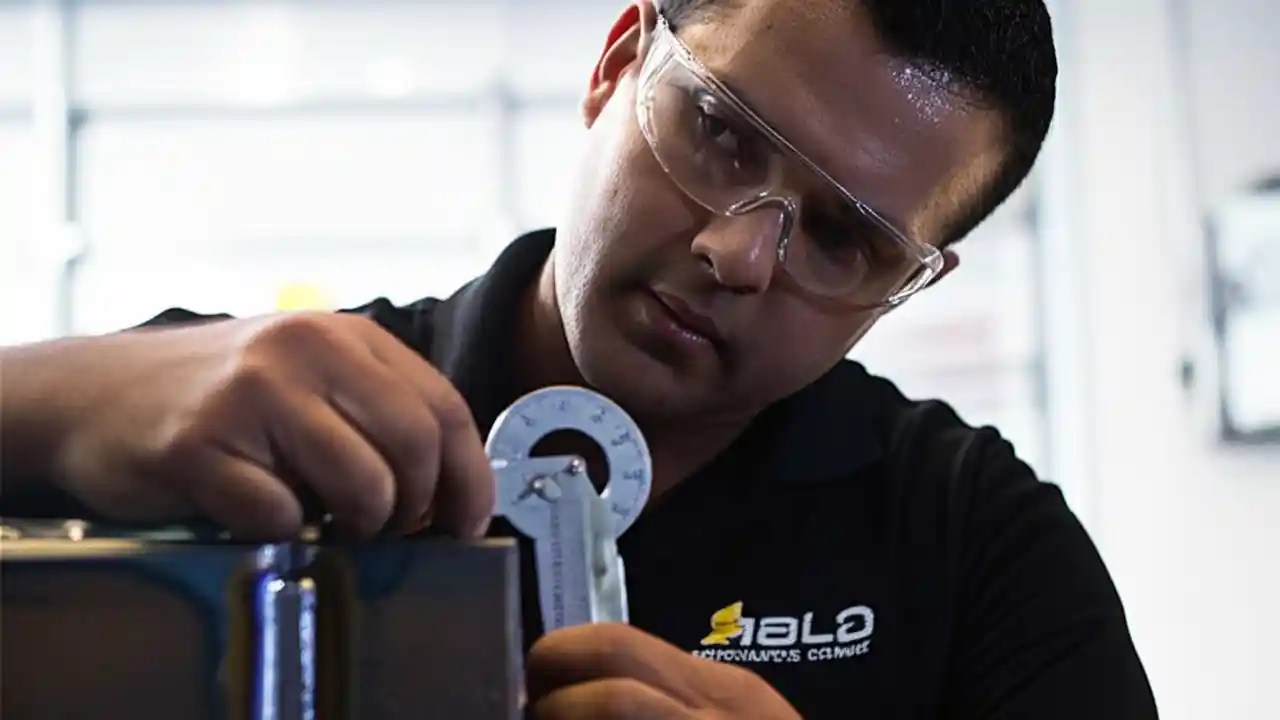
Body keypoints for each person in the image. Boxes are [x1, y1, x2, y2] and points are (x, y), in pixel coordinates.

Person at [0, 0, 1159, 717]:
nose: (737, 253)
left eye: (846, 237)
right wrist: (40, 404)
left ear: (908, 285)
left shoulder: (976, 550)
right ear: (615, 63)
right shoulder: (234, 422)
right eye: (718, 130)